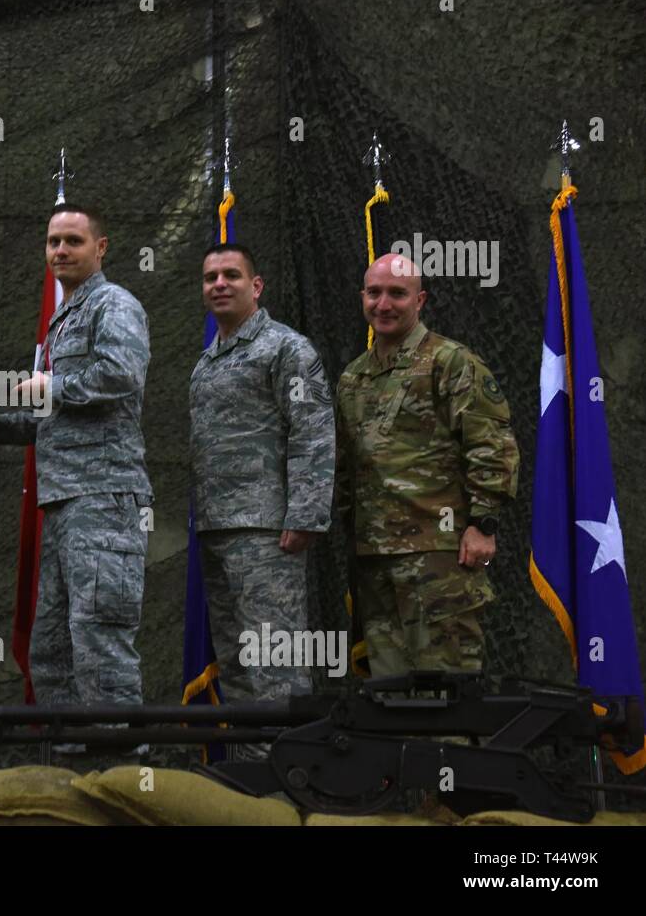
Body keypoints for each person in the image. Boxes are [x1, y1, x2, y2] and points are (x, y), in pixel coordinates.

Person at [0, 204, 151, 712]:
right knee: (51, 649)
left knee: (100, 643)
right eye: (53, 241)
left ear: (100, 248)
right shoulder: (61, 321)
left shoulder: (114, 305)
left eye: (73, 241)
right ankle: (69, 753)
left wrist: (50, 386)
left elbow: (121, 375)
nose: (60, 250)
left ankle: (119, 752)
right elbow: (43, 417)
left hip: (104, 500)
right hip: (62, 504)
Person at [335, 253, 519, 677]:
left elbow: (491, 444)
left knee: (446, 686)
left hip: (440, 556)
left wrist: (483, 523)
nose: (384, 304)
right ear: (362, 297)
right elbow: (346, 467)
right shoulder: (353, 378)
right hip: (375, 560)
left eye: (397, 294)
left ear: (420, 300)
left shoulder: (449, 362)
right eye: (374, 293)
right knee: (389, 691)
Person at [190, 242, 334, 758]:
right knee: (236, 664)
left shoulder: (285, 348)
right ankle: (251, 778)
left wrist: (306, 515)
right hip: (217, 528)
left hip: (268, 531)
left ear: (256, 286)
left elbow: (313, 431)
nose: (219, 284)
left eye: (231, 275)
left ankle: (291, 778)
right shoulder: (207, 361)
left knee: (275, 662)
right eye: (211, 277)